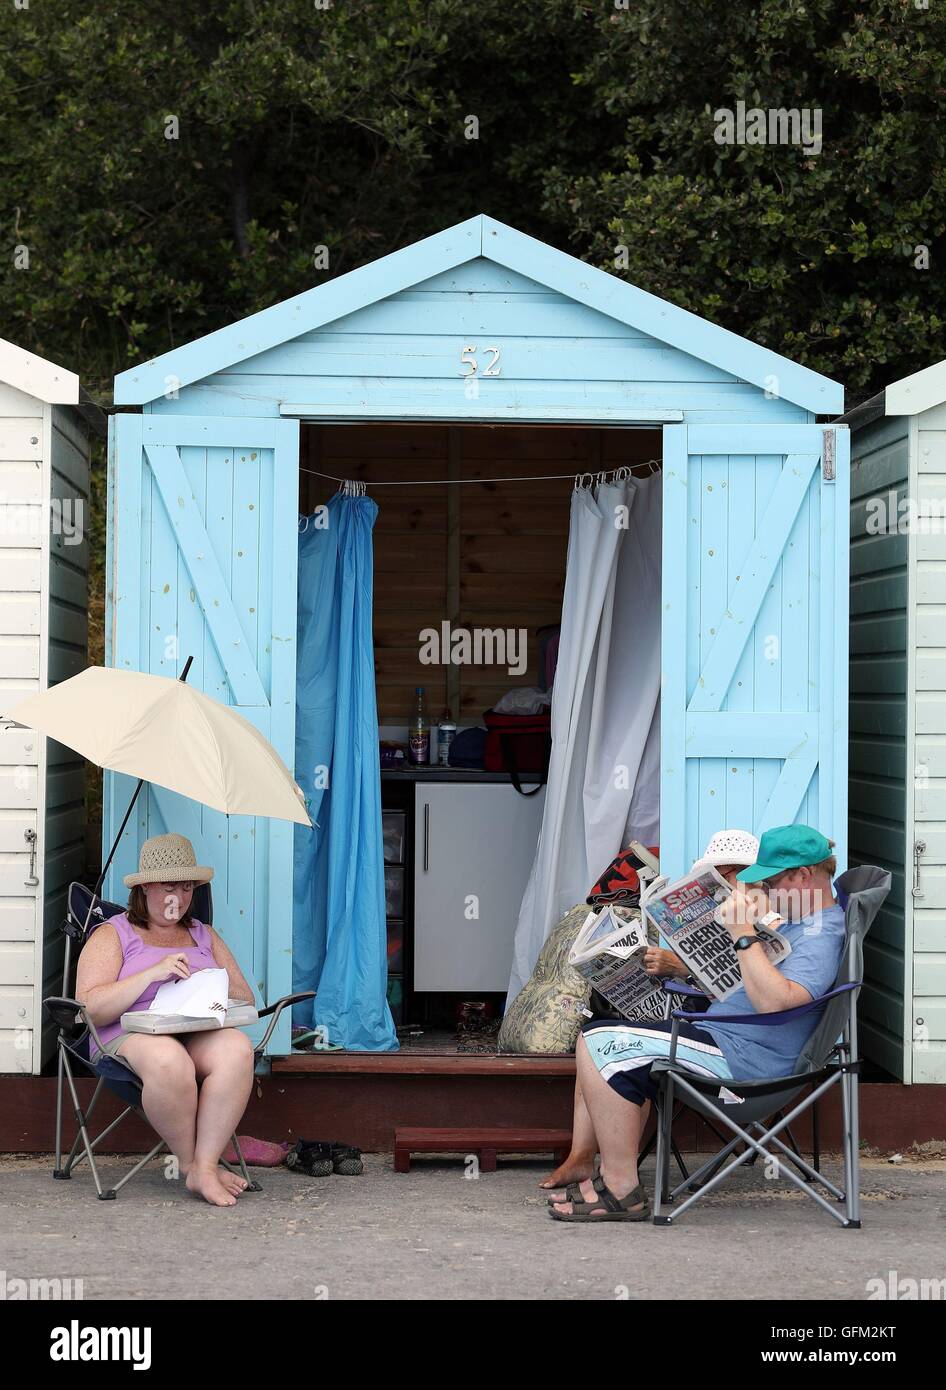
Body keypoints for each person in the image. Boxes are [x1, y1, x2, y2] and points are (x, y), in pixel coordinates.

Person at [546, 824, 845, 1220]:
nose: (766, 891)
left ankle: (622, 1191)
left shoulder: (822, 933)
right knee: (598, 1034)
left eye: (771, 882)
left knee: (602, 1042)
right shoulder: (797, 922)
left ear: (803, 876)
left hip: (744, 1063)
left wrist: (742, 934)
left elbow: (778, 1002)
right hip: (723, 1037)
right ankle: (607, 1172)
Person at [539, 829, 760, 1193]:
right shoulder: (725, 912)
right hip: (695, 1012)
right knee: (596, 1027)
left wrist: (681, 967)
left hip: (719, 1035)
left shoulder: (761, 919)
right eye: (717, 875)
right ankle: (581, 1154)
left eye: (730, 874)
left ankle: (610, 1172)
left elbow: (746, 987)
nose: (724, 883)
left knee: (609, 1045)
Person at [75, 833, 257, 1208]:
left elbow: (244, 996)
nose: (179, 897)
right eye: (168, 886)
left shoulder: (202, 934)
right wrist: (151, 974)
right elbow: (90, 1006)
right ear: (144, 888)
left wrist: (206, 986)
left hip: (194, 1029)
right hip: (126, 1033)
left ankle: (204, 1166)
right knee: (169, 1060)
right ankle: (193, 1165)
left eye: (187, 887)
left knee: (238, 1049)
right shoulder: (114, 933)